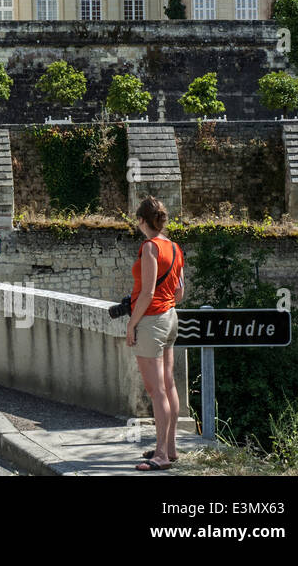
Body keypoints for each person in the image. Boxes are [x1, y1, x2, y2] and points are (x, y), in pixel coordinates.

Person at [127, 195, 184, 472]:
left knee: (156, 390)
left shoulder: (149, 248)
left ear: (141, 221)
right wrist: (166, 305)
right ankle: (170, 447)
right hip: (171, 318)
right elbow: (180, 291)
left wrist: (131, 325)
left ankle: (160, 455)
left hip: (151, 321)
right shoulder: (174, 247)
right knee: (168, 385)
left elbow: (148, 292)